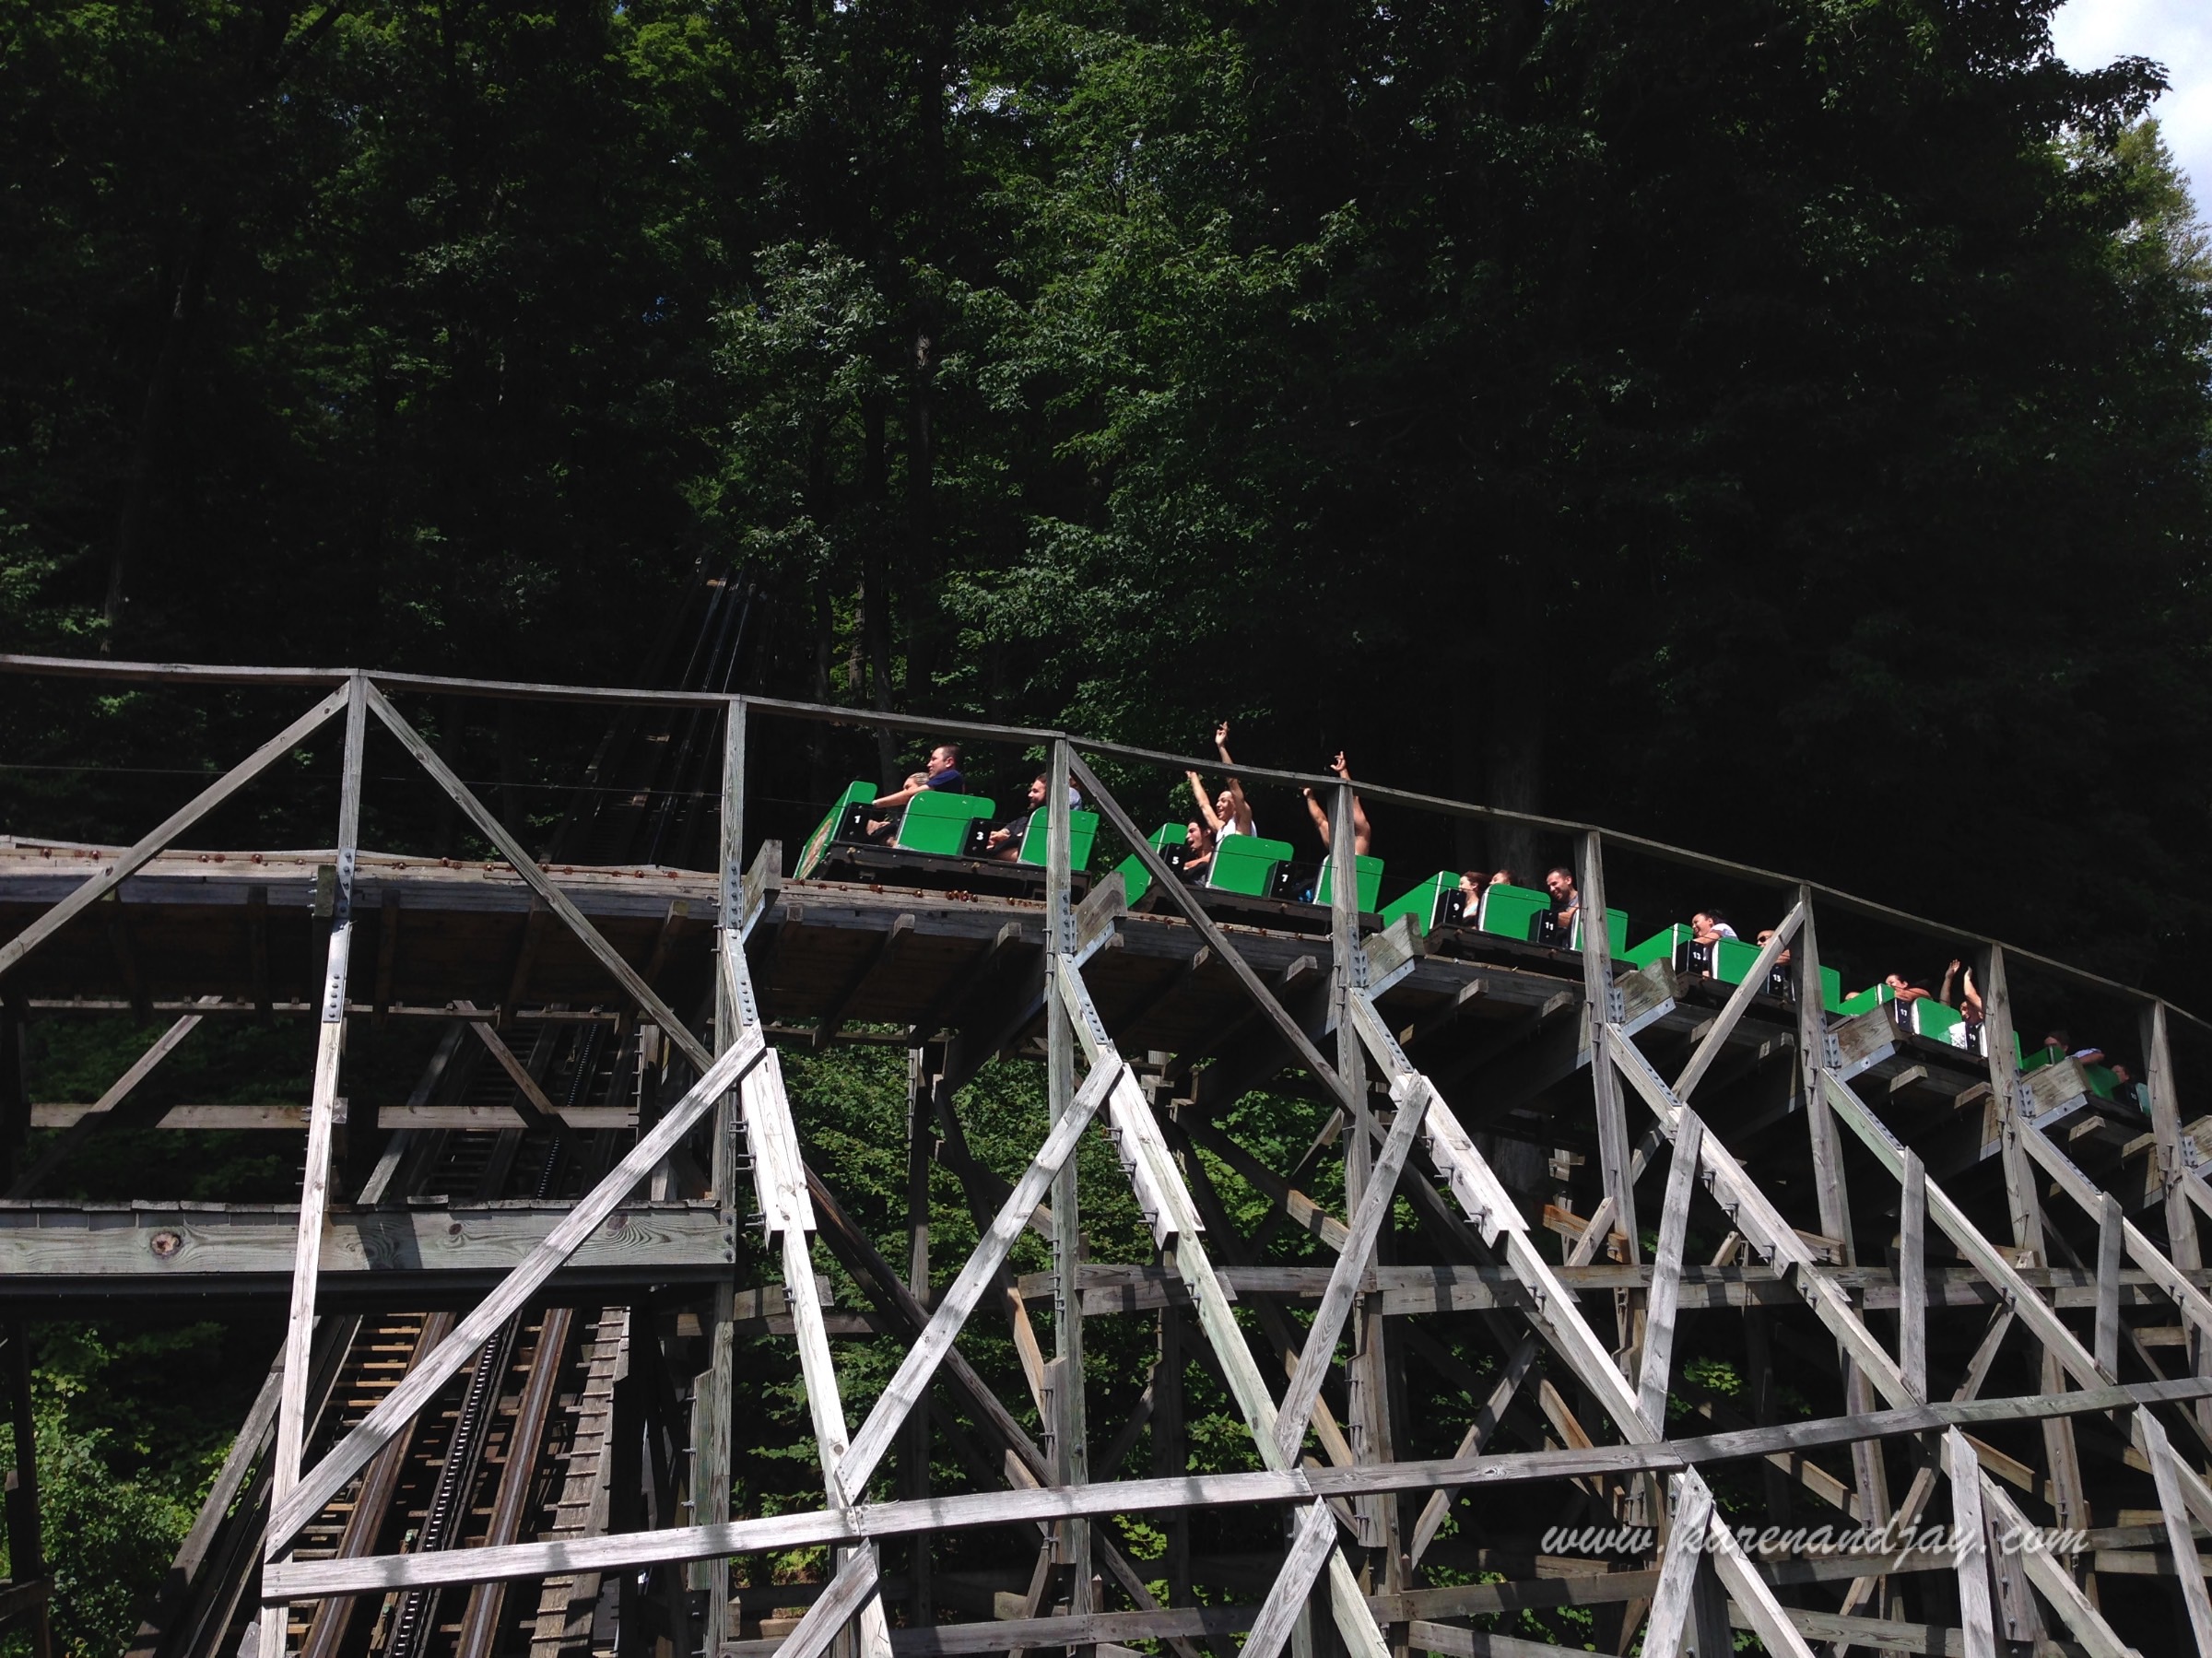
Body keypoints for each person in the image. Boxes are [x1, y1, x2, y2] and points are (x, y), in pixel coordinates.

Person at [865, 743, 966, 837]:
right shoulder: (950, 781)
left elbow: (913, 795)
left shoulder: (952, 775)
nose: (929, 764)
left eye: (934, 759)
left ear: (949, 762)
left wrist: (873, 804)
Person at [984, 771, 1084, 861]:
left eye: (1035, 791)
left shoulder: (1055, 823)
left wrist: (1006, 841)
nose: (1030, 795)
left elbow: (1029, 855)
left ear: (1051, 794)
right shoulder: (1023, 821)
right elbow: (1003, 832)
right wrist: (995, 838)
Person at [1186, 721, 1256, 841]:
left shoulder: (1243, 820)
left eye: (1223, 801)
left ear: (1235, 804)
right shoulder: (1221, 828)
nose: (1218, 805)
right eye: (1218, 801)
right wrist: (1193, 776)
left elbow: (1232, 782)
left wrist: (1221, 746)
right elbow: (1204, 804)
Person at [1300, 752, 1373, 855]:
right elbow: (1320, 821)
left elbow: (1352, 799)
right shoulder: (1335, 841)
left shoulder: (1362, 835)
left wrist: (1343, 771)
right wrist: (1309, 796)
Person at [1939, 958, 1986, 1051]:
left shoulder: (1989, 1022)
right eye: (1961, 1011)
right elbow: (1944, 1008)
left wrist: (1967, 977)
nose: (1963, 1014)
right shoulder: (1961, 1028)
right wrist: (1948, 978)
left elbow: (1969, 994)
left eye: (1965, 1008)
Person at [1544, 867, 1580, 935]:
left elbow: (1568, 918)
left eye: (1554, 884)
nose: (1551, 889)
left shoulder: (1584, 899)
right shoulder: (1560, 910)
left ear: (1568, 880)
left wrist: (1547, 918)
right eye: (1549, 887)